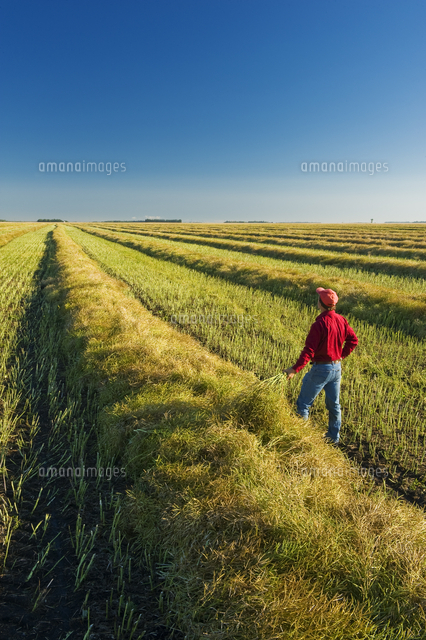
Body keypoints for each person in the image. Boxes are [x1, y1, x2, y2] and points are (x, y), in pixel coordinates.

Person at [284, 287, 358, 444]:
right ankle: (333, 438)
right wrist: (341, 355)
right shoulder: (342, 320)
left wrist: (294, 369)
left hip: (321, 369)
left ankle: (300, 439)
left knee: (303, 404)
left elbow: (308, 351)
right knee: (334, 405)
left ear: (320, 303)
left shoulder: (319, 324)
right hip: (336, 369)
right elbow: (353, 340)